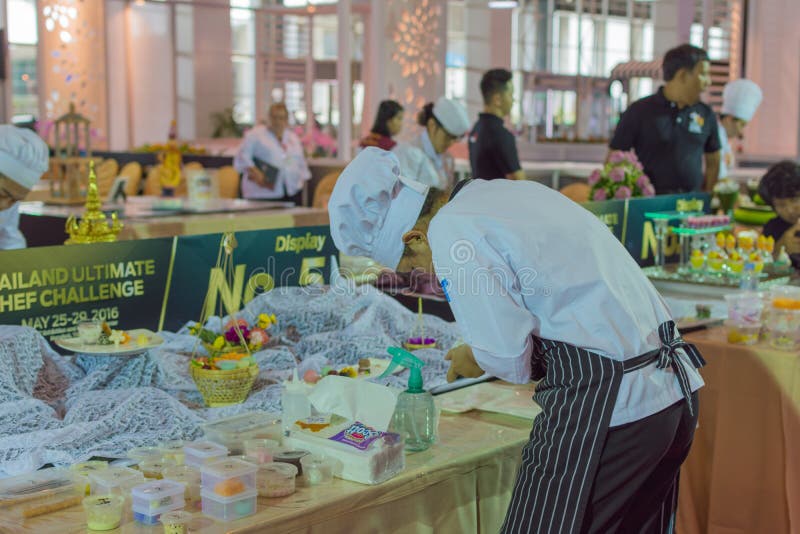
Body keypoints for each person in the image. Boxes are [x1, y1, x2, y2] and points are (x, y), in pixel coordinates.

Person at [329, 147, 705, 534]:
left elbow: (506, 357)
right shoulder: (497, 194)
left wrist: (474, 356)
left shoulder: (451, 230)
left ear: (416, 236)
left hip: (611, 404)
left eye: (412, 265)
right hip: (672, 392)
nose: (422, 274)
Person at [610, 44, 721, 194]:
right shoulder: (639, 111)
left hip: (692, 206)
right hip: (649, 205)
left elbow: (713, 160)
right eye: (703, 74)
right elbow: (615, 157)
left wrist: (708, 197)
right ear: (682, 75)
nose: (708, 82)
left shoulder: (705, 113)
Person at [234, 102, 311, 203]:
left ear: (286, 120)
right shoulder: (255, 135)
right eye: (274, 117)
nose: (277, 121)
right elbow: (242, 158)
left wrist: (300, 181)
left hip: (290, 191)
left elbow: (300, 163)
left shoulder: (292, 138)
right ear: (269, 118)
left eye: (281, 118)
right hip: (261, 193)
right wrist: (255, 171)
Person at [393, 97, 470, 190]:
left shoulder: (447, 159)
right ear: (432, 125)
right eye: (448, 137)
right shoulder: (409, 154)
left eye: (455, 139)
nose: (451, 143)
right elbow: (403, 198)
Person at [468, 68, 524, 180]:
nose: (513, 100)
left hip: (479, 196)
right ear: (497, 99)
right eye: (511, 94)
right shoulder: (500, 135)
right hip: (498, 197)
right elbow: (518, 181)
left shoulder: (476, 130)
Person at [0, 124, 49, 250]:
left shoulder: (7, 200)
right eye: (2, 194)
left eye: (14, 200)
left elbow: (9, 240)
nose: (5, 205)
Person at [758, 160, 800, 268]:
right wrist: (780, 248)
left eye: (794, 200)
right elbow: (760, 266)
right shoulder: (772, 228)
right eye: (781, 205)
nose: (790, 210)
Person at [718, 79, 763, 178]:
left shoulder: (725, 141)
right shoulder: (714, 138)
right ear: (729, 119)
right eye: (741, 125)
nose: (740, 132)